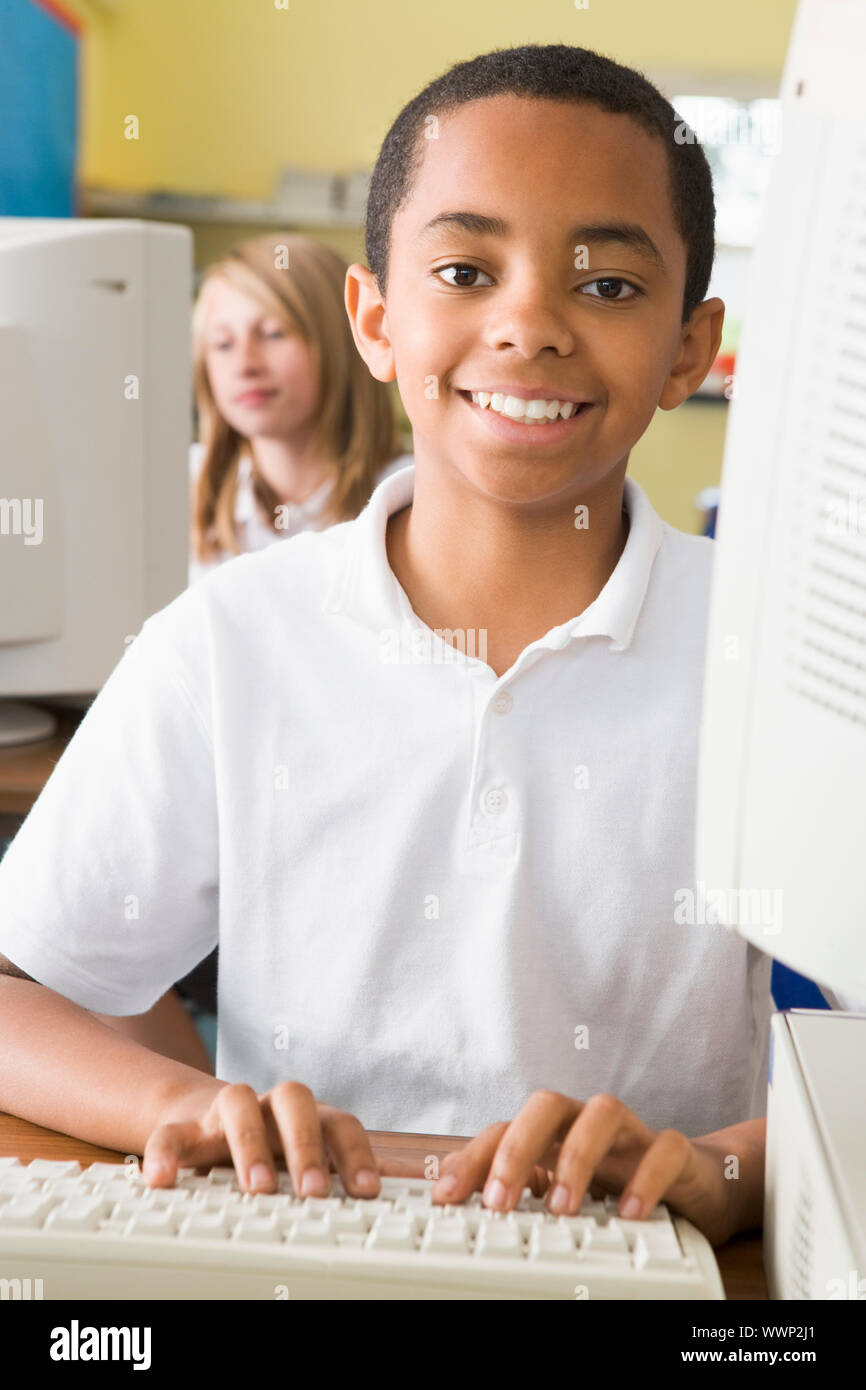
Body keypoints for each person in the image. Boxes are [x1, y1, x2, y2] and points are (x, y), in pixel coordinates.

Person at [0, 44, 767, 1247]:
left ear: (687, 347)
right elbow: (15, 989)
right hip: (291, 1244)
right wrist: (186, 1101)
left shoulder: (768, 655)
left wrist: (721, 1170)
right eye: (465, 269)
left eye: (608, 286)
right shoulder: (231, 639)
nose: (528, 325)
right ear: (373, 317)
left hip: (638, 1265)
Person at [188, 234, 412, 583]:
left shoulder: (412, 493)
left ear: (344, 341)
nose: (244, 365)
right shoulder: (178, 486)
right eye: (223, 344)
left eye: (274, 334)